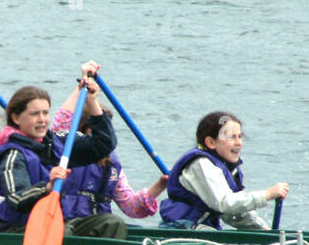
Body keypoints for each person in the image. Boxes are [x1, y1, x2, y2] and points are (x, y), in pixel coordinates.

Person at [0, 69, 125, 239]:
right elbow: (16, 199)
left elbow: (104, 144)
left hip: (55, 224)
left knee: (112, 224)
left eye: (45, 113)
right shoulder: (11, 154)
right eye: (34, 114)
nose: (42, 119)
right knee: (62, 233)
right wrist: (47, 186)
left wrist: (92, 101)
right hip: (17, 229)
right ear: (16, 118)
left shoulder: (58, 142)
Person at [48, 84, 168, 223]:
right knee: (113, 223)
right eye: (99, 131)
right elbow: (61, 124)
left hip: (96, 226)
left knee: (117, 224)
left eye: (107, 130)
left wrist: (160, 185)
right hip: (61, 222)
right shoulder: (64, 148)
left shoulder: (110, 165)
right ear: (82, 128)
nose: (105, 137)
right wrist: (81, 87)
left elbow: (131, 207)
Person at [158, 112, 288, 230]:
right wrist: (266, 195)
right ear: (211, 142)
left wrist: (264, 232)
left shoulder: (228, 169)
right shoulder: (201, 165)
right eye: (231, 137)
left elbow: (234, 214)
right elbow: (225, 204)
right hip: (181, 227)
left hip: (204, 227)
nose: (238, 143)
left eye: (240, 136)